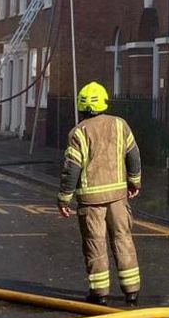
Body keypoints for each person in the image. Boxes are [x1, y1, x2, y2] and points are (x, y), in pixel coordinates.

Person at [58, 81, 142, 306]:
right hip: (118, 196)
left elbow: (71, 168)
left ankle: (100, 293)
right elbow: (133, 155)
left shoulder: (79, 132)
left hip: (90, 201)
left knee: (95, 243)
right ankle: (131, 292)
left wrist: (64, 198)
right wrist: (134, 182)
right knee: (123, 239)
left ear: (81, 107)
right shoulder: (120, 125)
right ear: (104, 102)